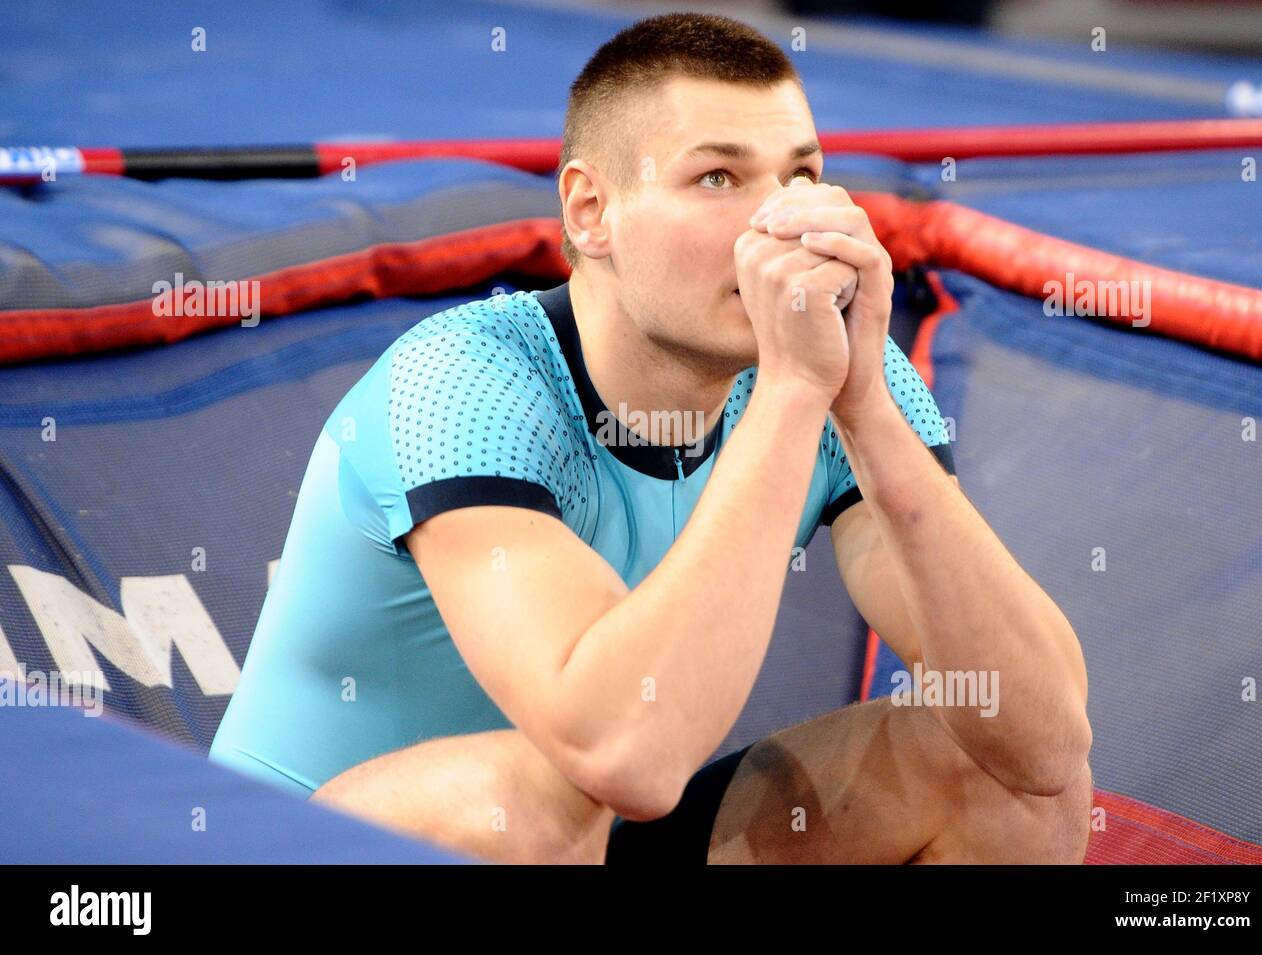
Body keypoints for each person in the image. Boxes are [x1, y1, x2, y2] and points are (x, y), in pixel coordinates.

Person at [209, 12, 1092, 864]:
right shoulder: (463, 382)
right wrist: (792, 392)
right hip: (307, 845)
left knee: (996, 781)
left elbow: (1046, 743)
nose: (778, 223)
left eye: (801, 176)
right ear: (591, 211)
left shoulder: (838, 373)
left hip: (601, 837)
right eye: (718, 178)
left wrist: (862, 409)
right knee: (528, 806)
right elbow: (623, 755)